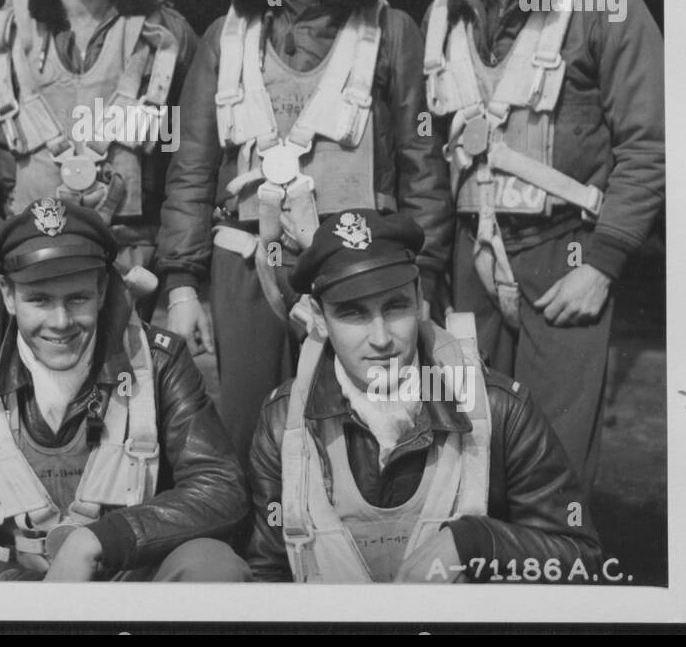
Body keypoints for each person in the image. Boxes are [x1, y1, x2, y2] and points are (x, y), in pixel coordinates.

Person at [156, 0, 452, 464]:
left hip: (357, 263)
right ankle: (260, 559)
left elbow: (424, 164)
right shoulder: (225, 38)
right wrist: (183, 285)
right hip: (246, 264)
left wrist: (422, 277)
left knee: (363, 431)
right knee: (247, 432)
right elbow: (191, 166)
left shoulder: (390, 34)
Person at [421, 0, 665, 493]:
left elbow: (649, 142)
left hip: (566, 259)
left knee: (553, 473)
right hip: (471, 262)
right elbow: (429, 150)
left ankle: (558, 578)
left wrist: (606, 262)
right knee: (466, 464)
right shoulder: (444, 6)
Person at [245, 208, 601, 583]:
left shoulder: (501, 409)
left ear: (419, 298)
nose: (381, 338)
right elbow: (268, 570)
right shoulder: (283, 421)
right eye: (353, 314)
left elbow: (582, 559)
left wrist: (477, 542)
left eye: (395, 306)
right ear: (318, 317)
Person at [0, 198, 250, 581]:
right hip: (26, 594)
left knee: (212, 564)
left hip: (133, 579)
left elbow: (220, 487)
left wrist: (100, 540)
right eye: (39, 300)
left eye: (77, 298)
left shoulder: (160, 361)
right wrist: (43, 599)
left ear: (102, 291)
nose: (61, 322)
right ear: (8, 296)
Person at [0, 0, 197, 297]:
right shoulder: (3, 39)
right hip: (29, 246)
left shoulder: (167, 38)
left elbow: (184, 157)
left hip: (131, 250)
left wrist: (179, 280)